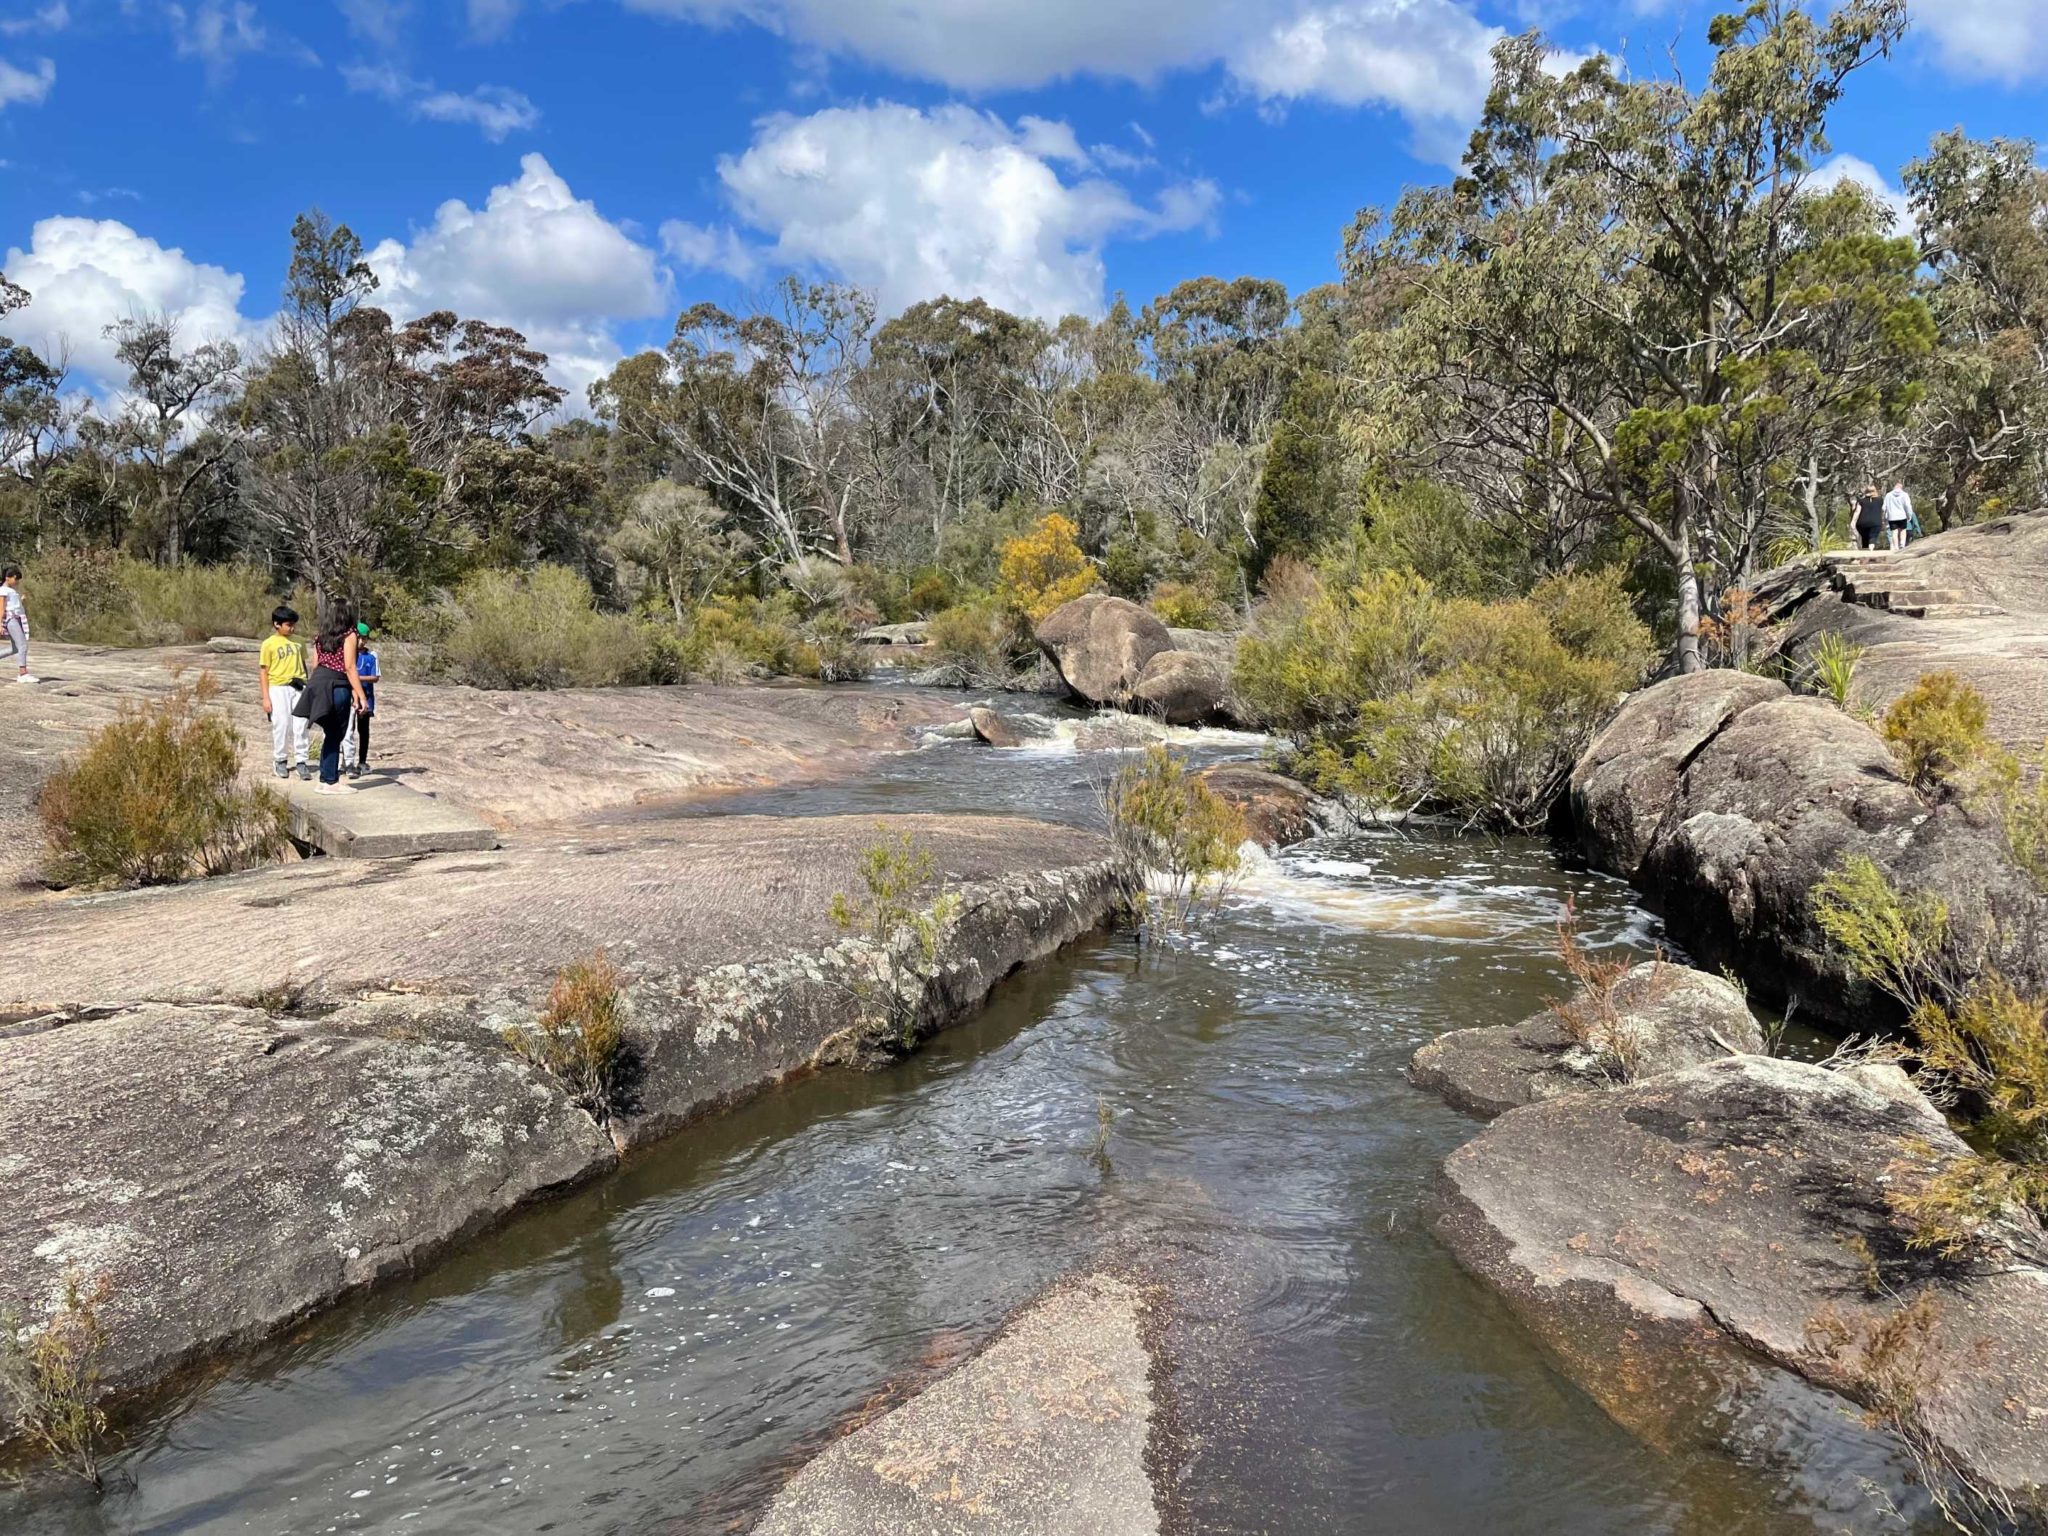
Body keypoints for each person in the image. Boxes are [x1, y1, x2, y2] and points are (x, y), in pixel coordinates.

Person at [300, 599, 367, 796]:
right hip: (336, 685)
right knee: (336, 733)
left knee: (330, 733)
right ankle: (330, 781)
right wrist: (361, 695)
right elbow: (349, 667)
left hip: (317, 684)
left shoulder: (321, 636)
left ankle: (325, 778)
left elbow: (315, 664)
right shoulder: (350, 634)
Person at [258, 604, 311, 780]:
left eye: (293, 624)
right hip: (278, 687)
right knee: (281, 725)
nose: (292, 628)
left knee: (301, 725)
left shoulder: (299, 641)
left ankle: (302, 760)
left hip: (298, 686)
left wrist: (307, 685)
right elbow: (264, 671)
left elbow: (303, 664)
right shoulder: (268, 644)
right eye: (288, 624)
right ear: (277, 624)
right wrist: (266, 697)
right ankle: (280, 760)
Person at [344, 622, 378, 779]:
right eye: (360, 638)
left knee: (363, 731)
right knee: (347, 730)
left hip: (367, 698)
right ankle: (345, 761)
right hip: (349, 698)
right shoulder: (347, 653)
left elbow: (375, 677)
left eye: (365, 639)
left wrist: (356, 678)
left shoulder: (371, 657)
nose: (362, 642)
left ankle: (362, 761)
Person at [0, 566, 32, 684]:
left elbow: (14, 606)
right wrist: (0, 625)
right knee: (22, 645)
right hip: (11, 620)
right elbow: (2, 609)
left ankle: (23, 673)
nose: (17, 581)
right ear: (7, 578)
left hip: (17, 619)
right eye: (15, 579)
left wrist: (21, 600)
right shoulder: (3, 590)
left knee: (15, 649)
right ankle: (23, 674)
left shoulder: (11, 591)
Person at [1884, 479, 1916, 552]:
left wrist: (1886, 515)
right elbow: (1908, 506)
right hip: (1902, 516)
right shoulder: (1904, 495)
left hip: (1892, 517)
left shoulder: (1888, 495)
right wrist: (1909, 514)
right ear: (1901, 487)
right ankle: (1902, 544)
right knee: (1903, 530)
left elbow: (1884, 507)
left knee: (1894, 532)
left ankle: (1896, 547)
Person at [1854, 484, 1886, 551]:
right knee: (1873, 536)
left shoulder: (1861, 501)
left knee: (1864, 537)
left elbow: (1857, 511)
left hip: (1862, 523)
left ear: (1866, 491)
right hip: (1875, 522)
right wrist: (1884, 521)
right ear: (1875, 491)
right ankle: (1871, 548)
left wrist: (1853, 521)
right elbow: (1883, 510)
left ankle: (1865, 550)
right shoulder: (1880, 500)